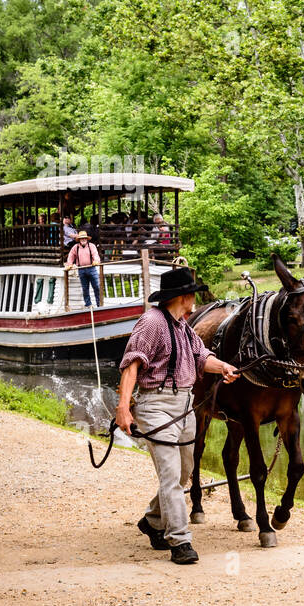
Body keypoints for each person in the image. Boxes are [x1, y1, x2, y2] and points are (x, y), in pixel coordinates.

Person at [115, 267, 241, 565]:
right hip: (156, 406)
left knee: (184, 472)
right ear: (183, 297)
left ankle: (152, 520)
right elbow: (131, 365)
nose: (195, 300)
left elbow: (202, 357)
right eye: (193, 295)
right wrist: (123, 408)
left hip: (186, 406)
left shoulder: (183, 327)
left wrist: (222, 367)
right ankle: (180, 541)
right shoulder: (151, 323)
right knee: (171, 476)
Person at [64, 230, 102, 308]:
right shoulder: (76, 247)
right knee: (85, 288)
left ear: (87, 239)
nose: (83, 240)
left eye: (84, 238)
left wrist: (96, 261)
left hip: (91, 268)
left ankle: (99, 304)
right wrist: (69, 264)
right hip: (81, 269)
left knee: (97, 286)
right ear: (79, 240)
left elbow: (95, 254)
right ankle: (88, 304)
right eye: (82, 239)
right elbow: (71, 256)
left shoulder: (91, 246)